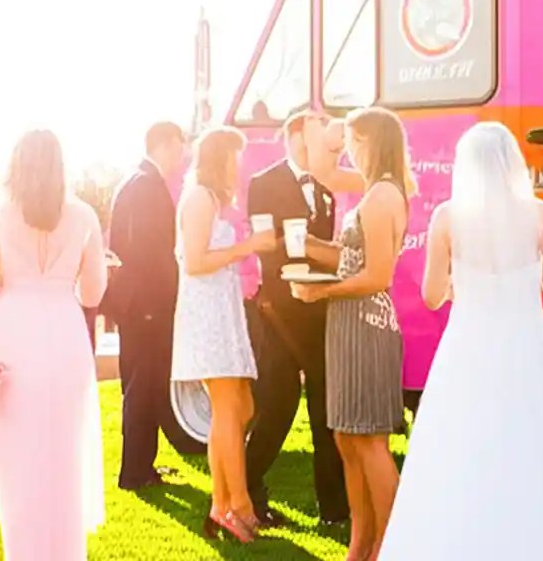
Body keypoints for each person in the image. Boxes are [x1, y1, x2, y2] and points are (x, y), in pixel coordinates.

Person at [378, 121, 543, 560]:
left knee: (463, 448)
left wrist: (463, 284)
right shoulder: (539, 214)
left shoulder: (447, 217)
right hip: (529, 345)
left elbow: (431, 295)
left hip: (469, 347)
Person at [292, 107, 412, 560]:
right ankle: (362, 544)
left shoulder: (382, 195)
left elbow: (378, 276)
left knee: (367, 439)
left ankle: (397, 543)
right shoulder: (372, 190)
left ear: (372, 143)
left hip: (366, 325)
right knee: (345, 437)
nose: (347, 150)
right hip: (347, 326)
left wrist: (321, 294)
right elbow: (350, 255)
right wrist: (311, 249)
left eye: (354, 141)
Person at [0, 129, 108, 560]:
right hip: (65, 335)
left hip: (13, 336)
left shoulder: (0, 214)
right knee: (65, 454)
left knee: (18, 456)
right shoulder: (83, 217)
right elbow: (93, 294)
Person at [245, 112, 349, 528]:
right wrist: (300, 260)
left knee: (327, 412)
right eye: (311, 140)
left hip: (321, 309)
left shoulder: (328, 186)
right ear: (292, 140)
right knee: (276, 407)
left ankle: (334, 509)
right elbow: (265, 246)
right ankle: (249, 492)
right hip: (279, 311)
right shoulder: (263, 183)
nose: (318, 148)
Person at [171, 127, 274, 542]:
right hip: (207, 315)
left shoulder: (210, 199)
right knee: (230, 410)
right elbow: (194, 262)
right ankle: (237, 506)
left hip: (222, 310)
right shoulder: (198, 197)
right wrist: (247, 247)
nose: (240, 165)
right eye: (235, 156)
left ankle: (221, 504)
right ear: (219, 158)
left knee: (239, 408)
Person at [105, 121, 206, 490]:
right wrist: (166, 296)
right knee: (143, 385)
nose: (184, 153)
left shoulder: (135, 180)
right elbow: (149, 249)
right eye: (181, 144)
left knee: (142, 382)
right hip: (147, 300)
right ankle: (134, 472)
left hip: (136, 299)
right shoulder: (147, 185)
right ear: (166, 144)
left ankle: (142, 467)